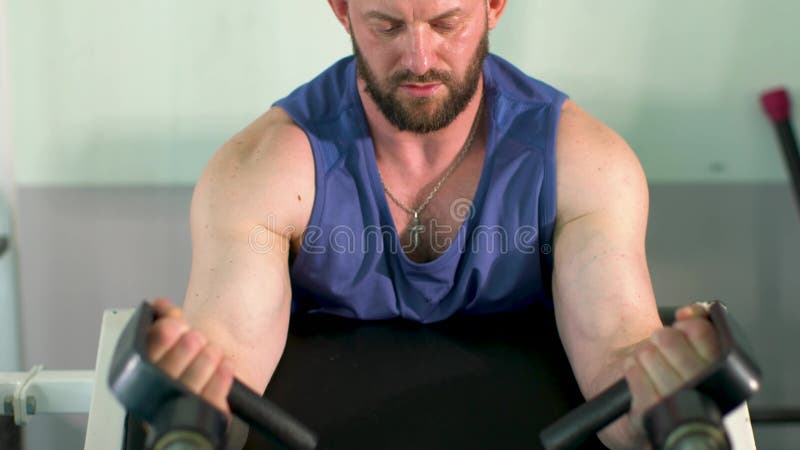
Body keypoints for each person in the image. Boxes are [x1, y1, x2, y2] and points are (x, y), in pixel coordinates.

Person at [146, 1, 721, 448]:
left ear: (494, 6)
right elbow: (228, 381)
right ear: (343, 9)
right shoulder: (263, 169)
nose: (420, 59)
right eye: (388, 26)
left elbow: (615, 362)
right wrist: (199, 401)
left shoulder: (588, 166)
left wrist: (653, 401)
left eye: (446, 23)